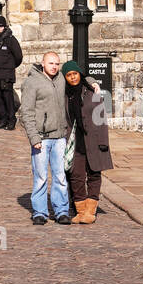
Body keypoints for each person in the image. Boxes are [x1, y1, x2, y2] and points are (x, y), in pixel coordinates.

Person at [20, 51, 70, 224]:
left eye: (57, 64)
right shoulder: (32, 82)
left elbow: (80, 77)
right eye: (51, 63)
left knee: (60, 177)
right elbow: (26, 112)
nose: (54, 67)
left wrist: (93, 83)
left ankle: (61, 211)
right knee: (41, 177)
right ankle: (40, 212)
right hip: (41, 138)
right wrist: (34, 138)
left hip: (59, 137)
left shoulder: (61, 79)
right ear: (43, 63)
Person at [62, 61, 113, 222]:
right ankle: (80, 211)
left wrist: (103, 141)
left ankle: (90, 212)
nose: (72, 78)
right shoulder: (63, 94)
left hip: (93, 139)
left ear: (80, 74)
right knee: (76, 176)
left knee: (94, 174)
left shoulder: (92, 92)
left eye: (75, 74)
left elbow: (101, 118)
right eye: (69, 75)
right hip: (74, 141)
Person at [0, 16, 23, 130]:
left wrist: (10, 67)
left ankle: (11, 119)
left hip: (6, 75)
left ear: (3, 27)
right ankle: (3, 119)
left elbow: (18, 57)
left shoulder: (10, 40)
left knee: (8, 98)